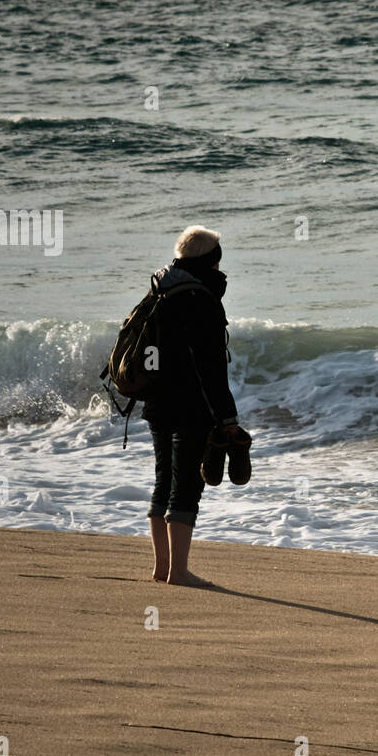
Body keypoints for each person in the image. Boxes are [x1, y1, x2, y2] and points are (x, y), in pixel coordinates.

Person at [144, 226, 242, 587]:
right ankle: (179, 573)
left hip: (157, 402)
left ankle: (162, 568)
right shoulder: (200, 300)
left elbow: (153, 354)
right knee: (185, 487)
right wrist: (227, 417)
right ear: (211, 261)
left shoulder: (160, 290)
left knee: (163, 482)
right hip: (190, 406)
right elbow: (211, 367)